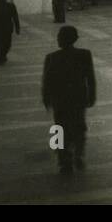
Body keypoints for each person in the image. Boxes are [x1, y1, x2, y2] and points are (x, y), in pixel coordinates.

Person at [41, 25, 97, 175]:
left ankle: (63, 159)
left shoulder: (52, 57)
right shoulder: (85, 54)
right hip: (78, 97)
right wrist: (92, 95)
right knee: (79, 125)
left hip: (60, 99)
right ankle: (78, 153)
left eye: (59, 36)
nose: (58, 39)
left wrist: (46, 98)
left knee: (59, 127)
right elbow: (90, 77)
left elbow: (47, 81)